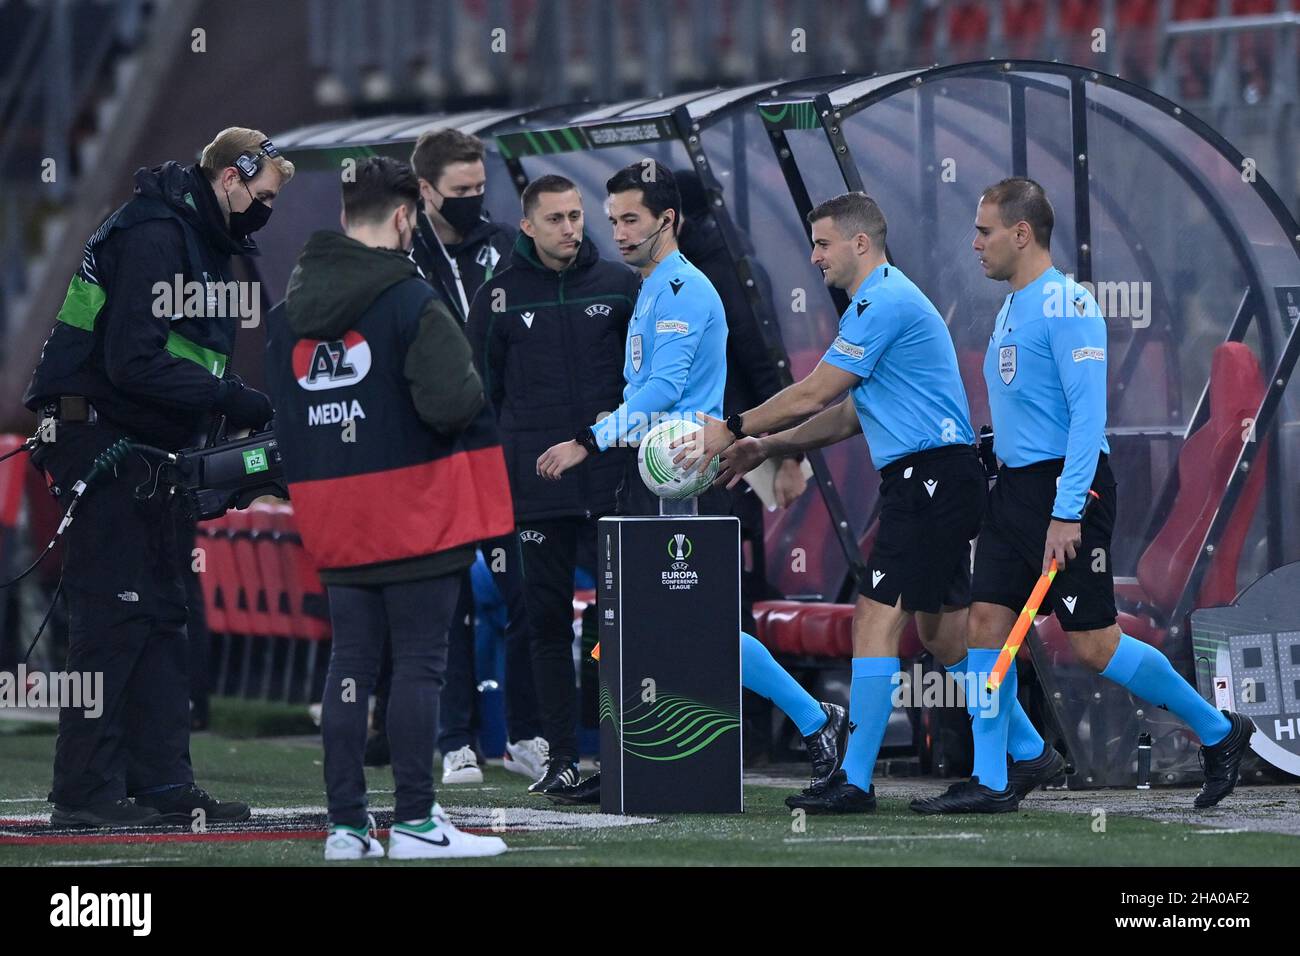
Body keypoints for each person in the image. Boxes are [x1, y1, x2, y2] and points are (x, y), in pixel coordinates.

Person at [693, 192, 1052, 813]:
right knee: (943, 637)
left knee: (875, 618)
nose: (814, 257)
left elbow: (817, 391)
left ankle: (855, 779)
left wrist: (734, 425)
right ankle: (1028, 746)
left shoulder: (882, 301)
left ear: (861, 243)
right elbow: (849, 413)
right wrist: (765, 444)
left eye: (823, 243)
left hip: (932, 478)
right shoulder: (876, 302)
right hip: (929, 477)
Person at [910, 178, 1254, 813]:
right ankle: (992, 780)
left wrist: (1067, 512)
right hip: (1012, 492)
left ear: (1022, 234)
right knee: (985, 624)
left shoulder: (1068, 307)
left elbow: (1085, 421)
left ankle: (1218, 729)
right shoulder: (1013, 305)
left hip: (1068, 492)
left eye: (985, 231)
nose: (975, 243)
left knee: (1095, 645)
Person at [536, 160, 846, 805]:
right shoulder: (654, 285)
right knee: (639, 621)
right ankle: (629, 758)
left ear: (667, 220)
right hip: (652, 472)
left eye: (631, 220)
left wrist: (588, 441)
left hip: (679, 479)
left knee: (690, 623)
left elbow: (662, 390)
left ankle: (817, 720)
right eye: (613, 219)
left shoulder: (682, 290)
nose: (617, 233)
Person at [23, 127, 286, 829]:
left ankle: (161, 784)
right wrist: (233, 397)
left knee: (163, 612)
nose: (263, 212)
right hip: (100, 437)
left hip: (142, 443)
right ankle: (84, 793)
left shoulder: (193, 236)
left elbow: (168, 361)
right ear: (232, 176)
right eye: (261, 196)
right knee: (115, 614)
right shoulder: (154, 234)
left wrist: (222, 402)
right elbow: (133, 361)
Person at [265, 156, 509, 859]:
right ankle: (414, 821)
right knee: (419, 667)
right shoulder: (412, 300)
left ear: (346, 217)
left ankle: (345, 828)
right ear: (405, 218)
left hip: (332, 515)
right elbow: (454, 403)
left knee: (351, 665)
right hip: (414, 511)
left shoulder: (286, 319)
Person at [363, 128, 539, 786]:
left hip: (500, 443)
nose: (474, 201)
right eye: (460, 191)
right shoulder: (401, 257)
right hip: (430, 446)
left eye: (480, 189)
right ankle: (455, 739)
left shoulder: (504, 248)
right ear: (426, 190)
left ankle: (526, 735)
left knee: (522, 591)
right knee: (449, 594)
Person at [467, 173, 640, 795]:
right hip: (535, 488)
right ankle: (560, 756)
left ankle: (619, 750)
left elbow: (639, 385)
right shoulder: (495, 298)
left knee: (615, 623)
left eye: (576, 215)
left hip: (611, 480)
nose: (571, 228)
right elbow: (483, 397)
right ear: (528, 227)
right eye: (557, 219)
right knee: (542, 623)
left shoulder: (621, 286)